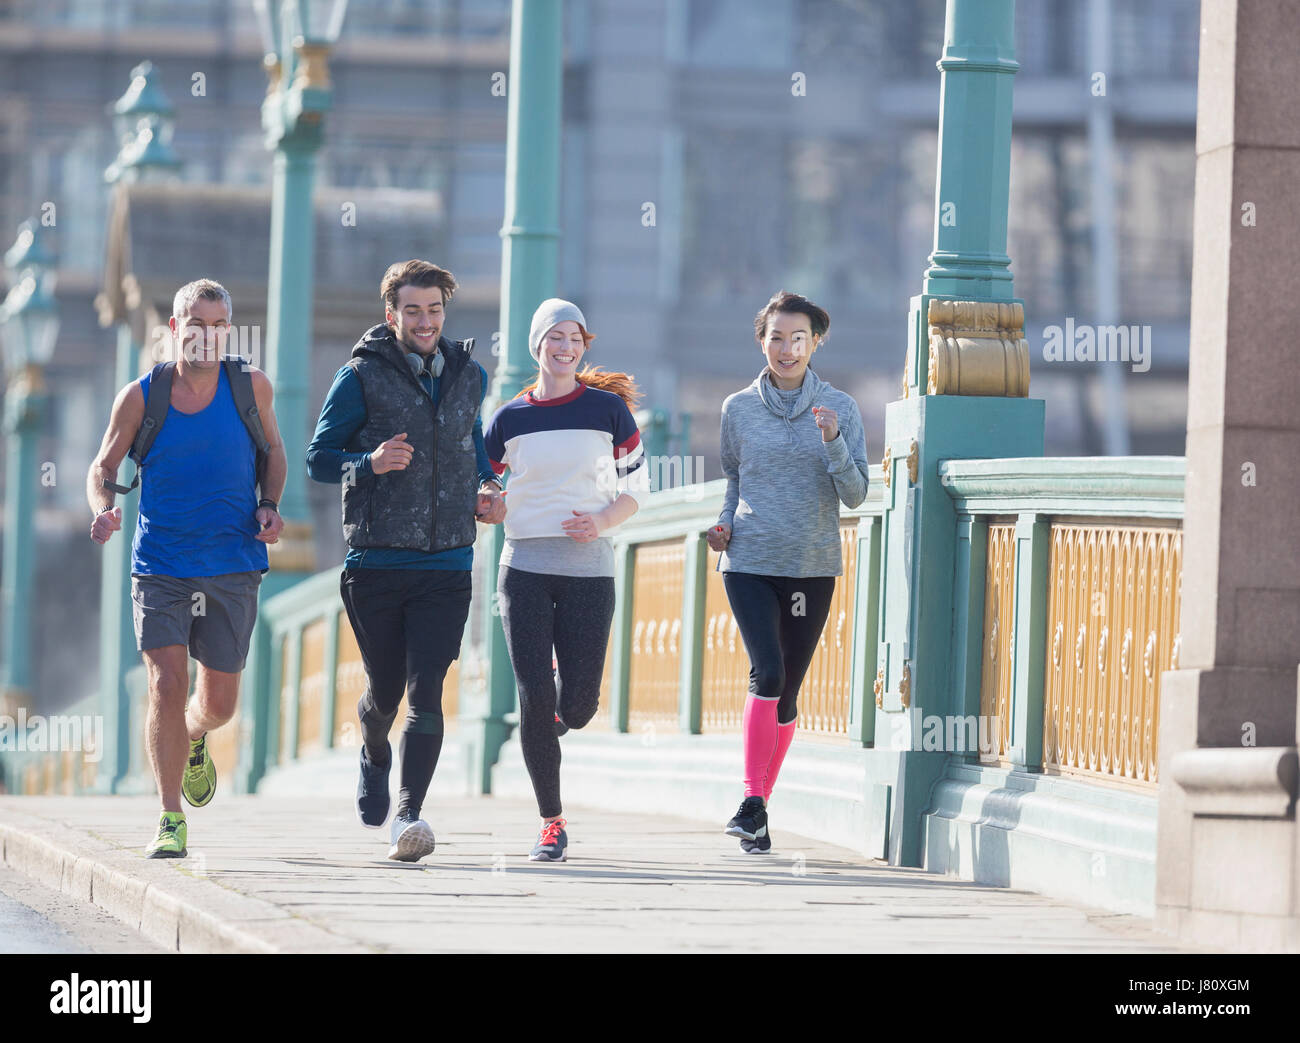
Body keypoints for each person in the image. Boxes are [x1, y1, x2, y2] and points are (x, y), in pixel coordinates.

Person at [306, 259, 505, 863]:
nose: (425, 320)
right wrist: (368, 462)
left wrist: (488, 488)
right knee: (385, 692)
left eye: (434, 309)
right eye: (412, 310)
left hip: (448, 562)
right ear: (391, 314)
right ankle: (372, 751)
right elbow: (319, 460)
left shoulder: (470, 374)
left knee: (427, 693)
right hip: (376, 562)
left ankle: (409, 815)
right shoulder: (360, 377)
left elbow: (471, 449)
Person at [87, 279, 286, 859]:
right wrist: (103, 508)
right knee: (165, 684)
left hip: (231, 561)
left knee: (218, 705)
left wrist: (269, 506)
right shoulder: (141, 396)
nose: (206, 335)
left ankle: (194, 736)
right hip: (161, 565)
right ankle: (170, 818)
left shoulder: (251, 388)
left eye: (218, 325)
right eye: (194, 325)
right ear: (175, 330)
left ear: (229, 330)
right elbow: (102, 467)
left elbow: (274, 451)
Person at [483, 299, 649, 862]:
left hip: (588, 571)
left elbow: (638, 488)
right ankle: (550, 822)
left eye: (575, 338)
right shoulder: (508, 419)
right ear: (536, 346)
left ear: (583, 347)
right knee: (532, 698)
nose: (565, 347)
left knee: (576, 707)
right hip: (524, 568)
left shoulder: (608, 412)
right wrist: (488, 505)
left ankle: (555, 709)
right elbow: (486, 487)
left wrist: (602, 521)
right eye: (555, 337)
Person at [708, 291, 870, 853]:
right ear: (762, 341)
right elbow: (734, 478)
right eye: (775, 336)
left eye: (797, 337)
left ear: (815, 342)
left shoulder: (841, 409)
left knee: (789, 695)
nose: (786, 347)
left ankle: (755, 813)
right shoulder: (737, 408)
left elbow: (855, 495)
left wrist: (831, 442)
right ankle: (752, 800)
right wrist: (723, 524)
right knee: (768, 675)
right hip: (748, 562)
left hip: (810, 569)